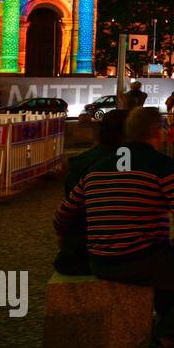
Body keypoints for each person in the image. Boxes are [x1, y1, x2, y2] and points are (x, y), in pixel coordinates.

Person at [53, 107, 174, 348]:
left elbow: (63, 214)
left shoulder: (97, 168)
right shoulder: (162, 166)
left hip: (98, 259)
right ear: (157, 132)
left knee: (170, 264)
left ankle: (172, 326)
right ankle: (166, 339)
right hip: (138, 257)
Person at [54, 109, 130, 276]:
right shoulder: (128, 163)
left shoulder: (81, 163)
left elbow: (64, 214)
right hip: (115, 252)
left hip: (78, 249)